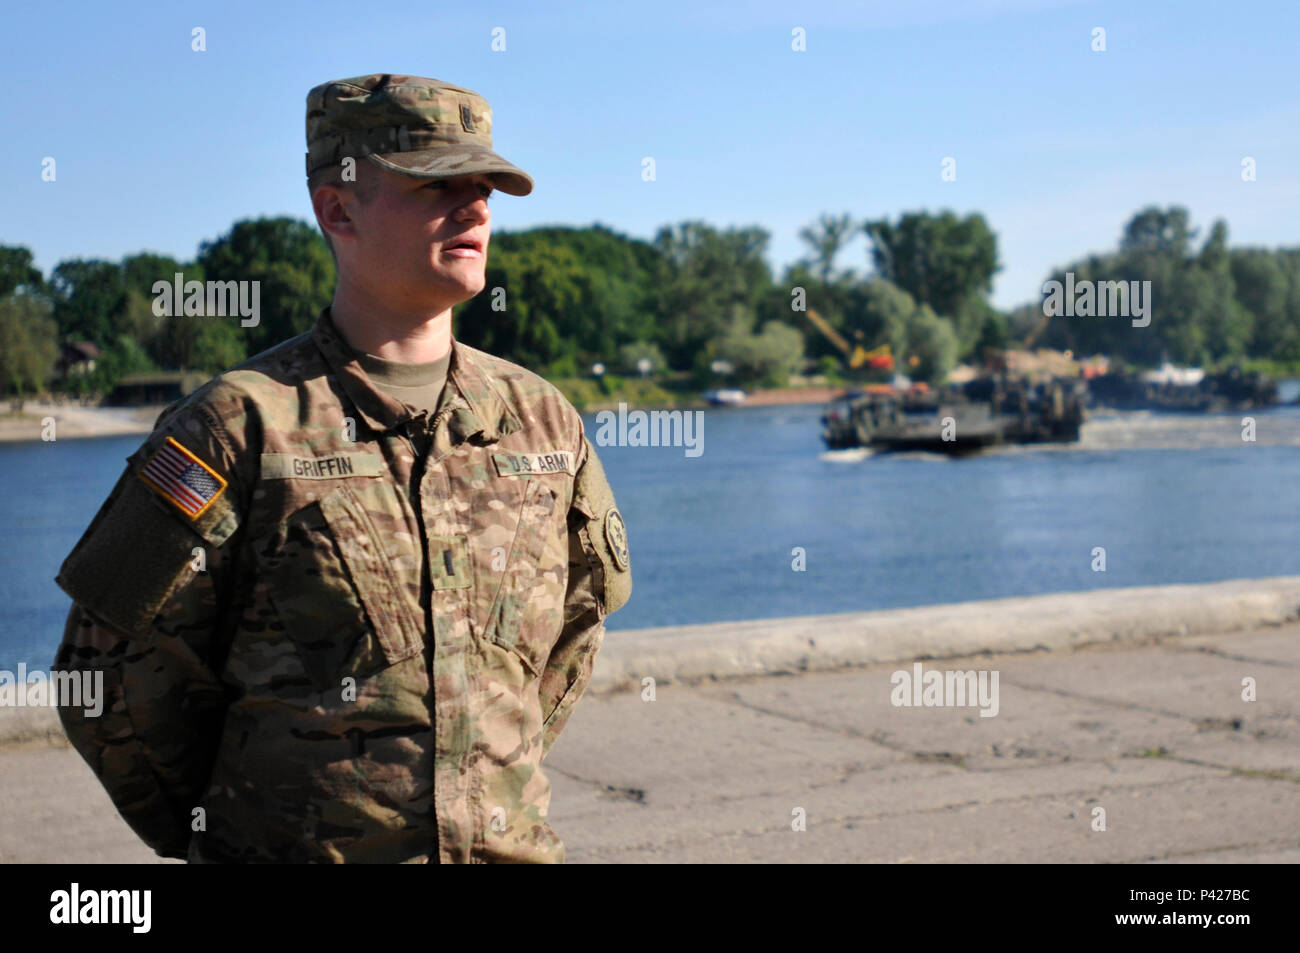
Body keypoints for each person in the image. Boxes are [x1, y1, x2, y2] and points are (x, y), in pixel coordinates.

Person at [51, 73, 631, 864]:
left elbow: (572, 634)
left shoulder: (541, 420)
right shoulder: (236, 427)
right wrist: (227, 831)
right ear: (338, 208)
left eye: (485, 186)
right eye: (437, 184)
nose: (476, 208)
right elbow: (108, 677)